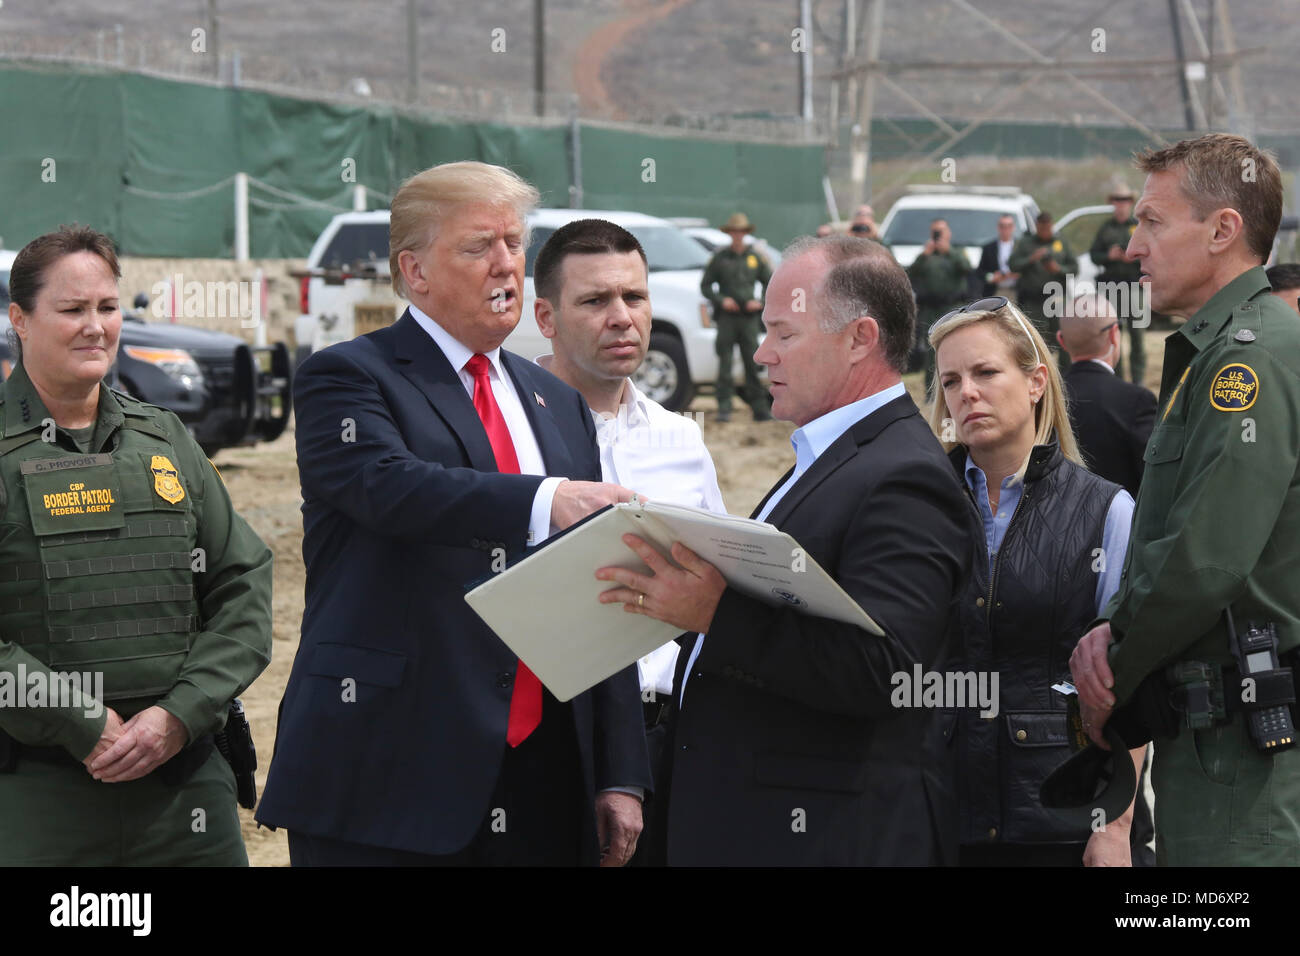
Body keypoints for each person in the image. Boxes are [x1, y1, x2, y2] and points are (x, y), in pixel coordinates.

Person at [255, 162, 651, 867]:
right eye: (478, 247)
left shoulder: (554, 400)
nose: (506, 265)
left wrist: (619, 770)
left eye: (513, 243)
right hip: (394, 773)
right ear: (415, 270)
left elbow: (598, 587)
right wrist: (543, 499)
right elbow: (390, 486)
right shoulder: (348, 377)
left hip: (544, 772)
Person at [595, 235, 973, 865]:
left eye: (784, 334)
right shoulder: (829, 455)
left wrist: (715, 614)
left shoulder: (904, 474)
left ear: (859, 338)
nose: (762, 353)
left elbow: (894, 672)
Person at [0, 225, 273, 865]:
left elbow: (243, 584)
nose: (95, 327)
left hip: (183, 792)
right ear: (20, 320)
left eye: (108, 307)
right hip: (36, 796)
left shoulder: (166, 439)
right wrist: (83, 724)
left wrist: (177, 715)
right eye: (72, 310)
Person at [1071, 133, 1300, 866]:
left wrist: (1113, 668)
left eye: (1153, 222)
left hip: (1240, 751)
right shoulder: (1225, 350)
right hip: (1214, 737)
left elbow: (1206, 560)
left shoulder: (1248, 361)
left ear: (1224, 230)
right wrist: (1114, 624)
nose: (1133, 247)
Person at [532, 217, 727, 865]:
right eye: (594, 301)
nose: (622, 317)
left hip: (667, 737)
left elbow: (712, 590)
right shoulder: (502, 438)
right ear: (546, 315)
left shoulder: (680, 439)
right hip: (549, 737)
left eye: (634, 298)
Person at [927, 295, 1147, 867]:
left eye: (986, 372)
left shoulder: (1106, 510)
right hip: (941, 816)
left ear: (1036, 382)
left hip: (1063, 817)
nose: (966, 392)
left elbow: (1133, 675)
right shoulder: (918, 508)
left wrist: (1114, 827)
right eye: (951, 381)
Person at [1058, 292, 1157, 497]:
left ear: (1062, 341)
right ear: (1114, 334)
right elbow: (1154, 480)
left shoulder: (1044, 398)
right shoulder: (1136, 401)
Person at [699, 212, 773, 423]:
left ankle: (759, 408)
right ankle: (724, 407)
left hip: (748, 317)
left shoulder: (755, 257)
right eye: (735, 232)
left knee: (753, 361)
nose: (738, 235)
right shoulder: (720, 258)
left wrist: (760, 302)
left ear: (746, 233)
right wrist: (722, 300)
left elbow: (770, 281)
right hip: (727, 318)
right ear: (730, 233)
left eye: (741, 232)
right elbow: (705, 286)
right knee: (725, 362)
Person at [1089, 184, 1148, 384]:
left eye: (1124, 200)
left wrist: (1133, 257)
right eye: (1117, 200)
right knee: (1114, 336)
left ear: (1131, 203)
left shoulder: (1140, 225)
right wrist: (1109, 255)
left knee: (1138, 335)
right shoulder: (1106, 228)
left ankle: (1138, 381)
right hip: (1111, 287)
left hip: (1134, 286)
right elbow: (1093, 255)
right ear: (1113, 203)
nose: (1121, 205)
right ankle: (1119, 381)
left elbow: (1151, 250)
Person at [1010, 211, 1078, 376]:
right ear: (1037, 227)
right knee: (1034, 341)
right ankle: (1035, 376)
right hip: (1033, 301)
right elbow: (1013, 264)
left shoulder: (1061, 241)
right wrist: (1031, 259)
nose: (1045, 231)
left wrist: (1058, 269)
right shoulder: (1026, 243)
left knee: (1064, 340)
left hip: (1057, 300)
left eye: (1048, 227)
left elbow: (1075, 268)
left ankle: (1066, 378)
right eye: (1042, 228)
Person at [906, 218, 969, 387]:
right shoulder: (926, 255)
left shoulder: (957, 252)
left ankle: (956, 385)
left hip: (951, 306)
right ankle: (931, 390)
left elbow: (967, 268)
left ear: (948, 233)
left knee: (954, 345)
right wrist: (924, 256)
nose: (938, 235)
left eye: (941, 231)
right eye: (935, 231)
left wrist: (949, 252)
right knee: (930, 349)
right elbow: (910, 274)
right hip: (930, 308)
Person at [975, 213, 1020, 299]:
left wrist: (1017, 274)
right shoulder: (989, 248)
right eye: (1003, 226)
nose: (1005, 229)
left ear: (1013, 227)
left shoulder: (1020, 247)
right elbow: (980, 271)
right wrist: (992, 277)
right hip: (996, 291)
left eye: (1009, 226)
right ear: (998, 228)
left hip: (1016, 292)